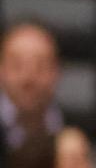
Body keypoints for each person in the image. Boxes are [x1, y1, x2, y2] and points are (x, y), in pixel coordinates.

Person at [0, 25, 62, 154]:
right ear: (1, 70)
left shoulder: (76, 138)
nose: (28, 77)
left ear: (56, 71)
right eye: (17, 65)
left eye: (40, 66)